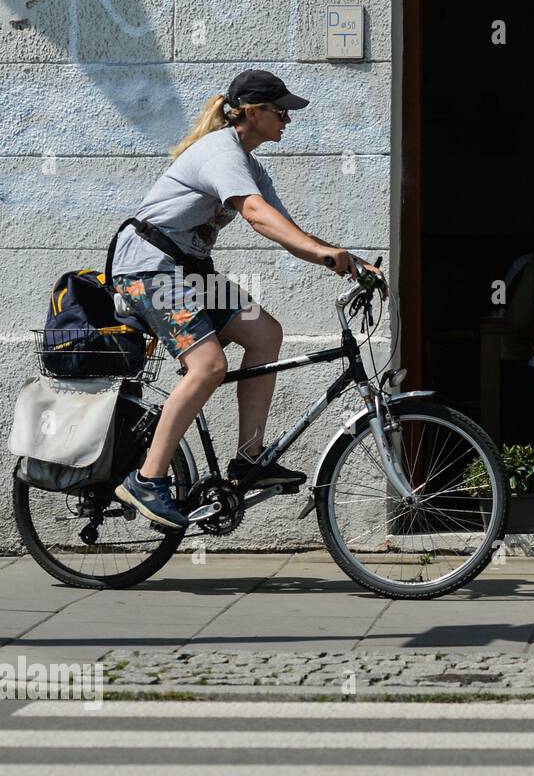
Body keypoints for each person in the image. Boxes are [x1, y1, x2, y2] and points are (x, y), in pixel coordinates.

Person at [110, 69, 381, 529]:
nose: (287, 122)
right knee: (209, 366)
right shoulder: (219, 152)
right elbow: (255, 215)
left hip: (189, 274)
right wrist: (323, 253)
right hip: (147, 270)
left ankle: (247, 460)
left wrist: (347, 259)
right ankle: (147, 478)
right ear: (252, 112)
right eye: (281, 112)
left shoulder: (251, 165)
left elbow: (287, 229)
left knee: (265, 332)